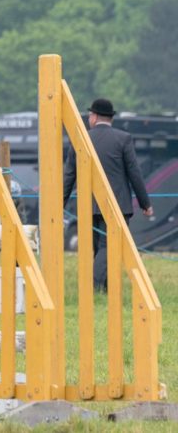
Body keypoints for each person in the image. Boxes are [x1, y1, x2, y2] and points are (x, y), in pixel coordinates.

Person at [62, 98, 153, 292]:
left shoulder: (81, 139)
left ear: (94, 117)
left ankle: (104, 289)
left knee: (98, 248)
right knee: (108, 247)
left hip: (88, 205)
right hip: (117, 205)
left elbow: (70, 175)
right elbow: (134, 173)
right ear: (110, 118)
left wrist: (59, 204)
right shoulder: (123, 139)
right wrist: (145, 203)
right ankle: (95, 287)